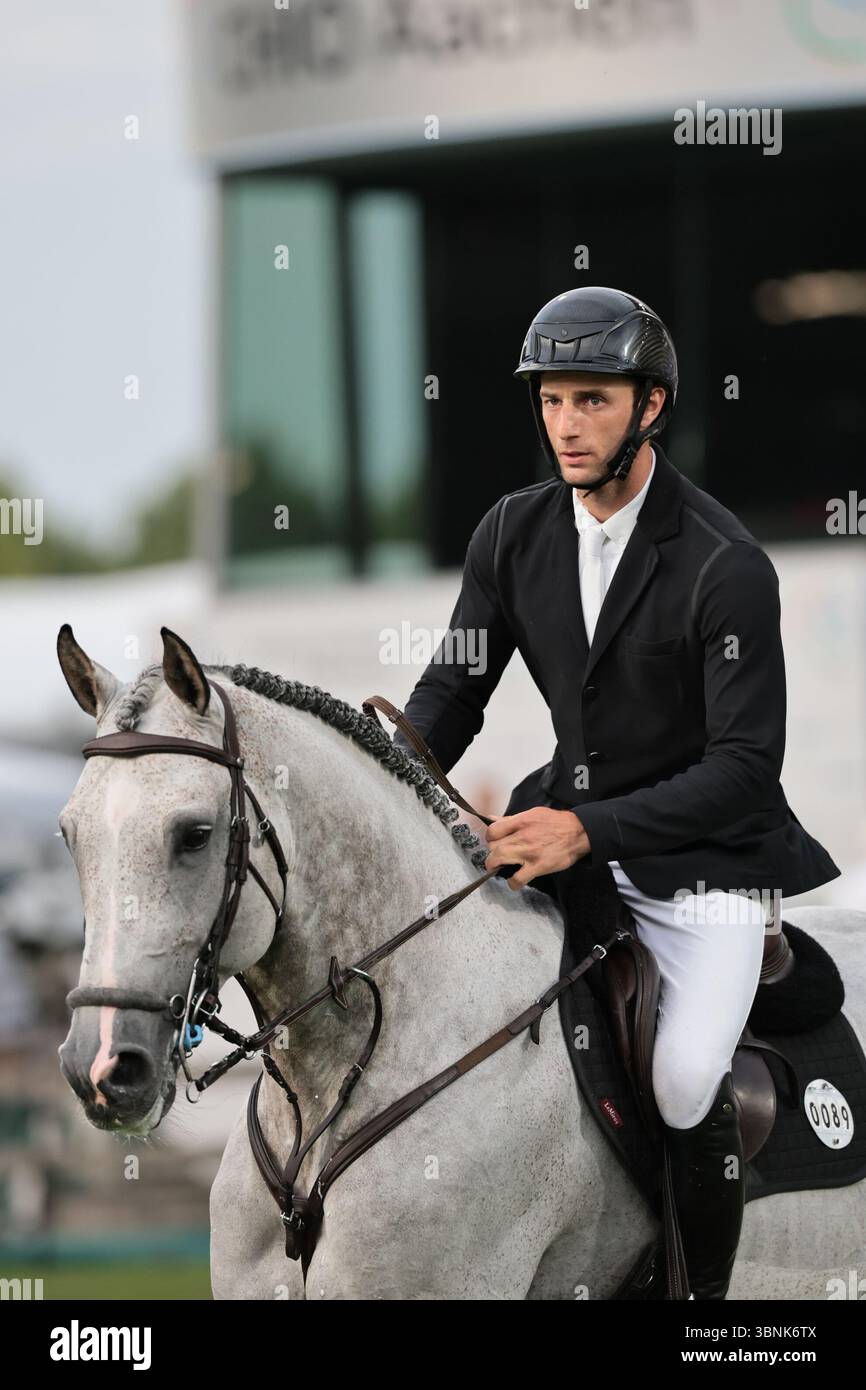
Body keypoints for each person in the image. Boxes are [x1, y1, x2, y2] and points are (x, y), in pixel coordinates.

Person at [391, 285, 840, 1298]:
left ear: (649, 406)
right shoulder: (508, 533)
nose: (564, 425)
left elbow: (740, 770)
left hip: (705, 869)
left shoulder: (724, 565)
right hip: (563, 837)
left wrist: (583, 830)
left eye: (590, 400)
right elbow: (449, 698)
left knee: (684, 1080)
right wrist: (374, 769)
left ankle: (698, 1301)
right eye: (550, 401)